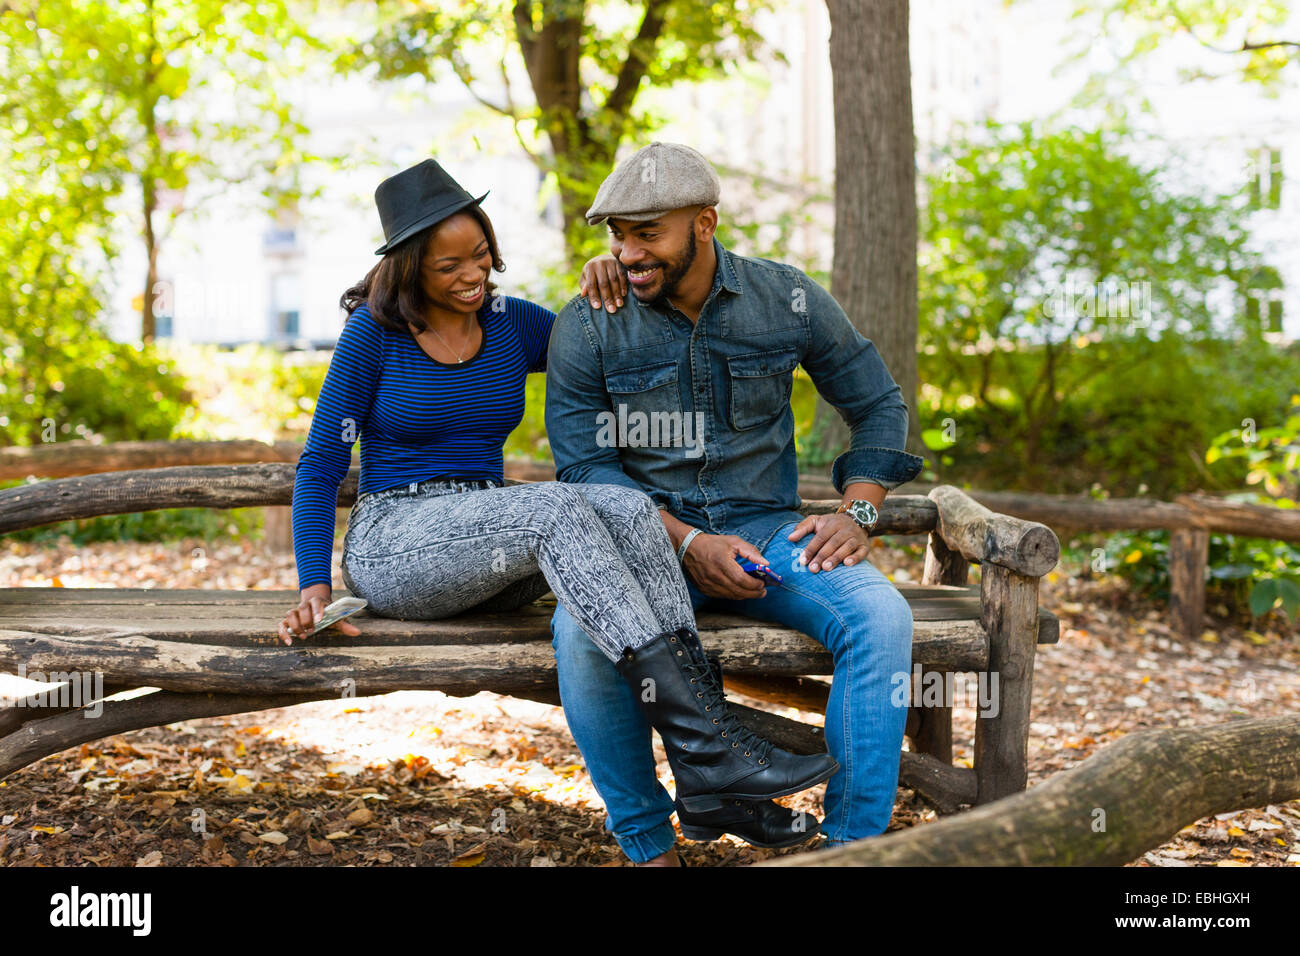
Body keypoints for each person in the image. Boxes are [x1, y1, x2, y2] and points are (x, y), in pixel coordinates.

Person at [278, 158, 837, 850]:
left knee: (627, 508)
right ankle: (709, 747)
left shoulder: (509, 323)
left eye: (481, 256)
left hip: (496, 554)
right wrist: (313, 584)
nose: (473, 276)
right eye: (449, 266)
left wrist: (607, 275)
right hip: (396, 545)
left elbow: (602, 339)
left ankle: (705, 782)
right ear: (407, 268)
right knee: (558, 506)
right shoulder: (374, 333)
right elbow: (321, 465)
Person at [545, 142, 927, 864]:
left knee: (880, 617)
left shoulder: (785, 299)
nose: (628, 254)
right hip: (641, 541)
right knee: (581, 634)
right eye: (618, 237)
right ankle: (649, 847)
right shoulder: (590, 322)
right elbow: (585, 469)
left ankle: (849, 851)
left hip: (766, 536)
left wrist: (859, 510)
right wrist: (688, 543)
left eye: (646, 234)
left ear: (705, 224)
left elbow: (877, 401)